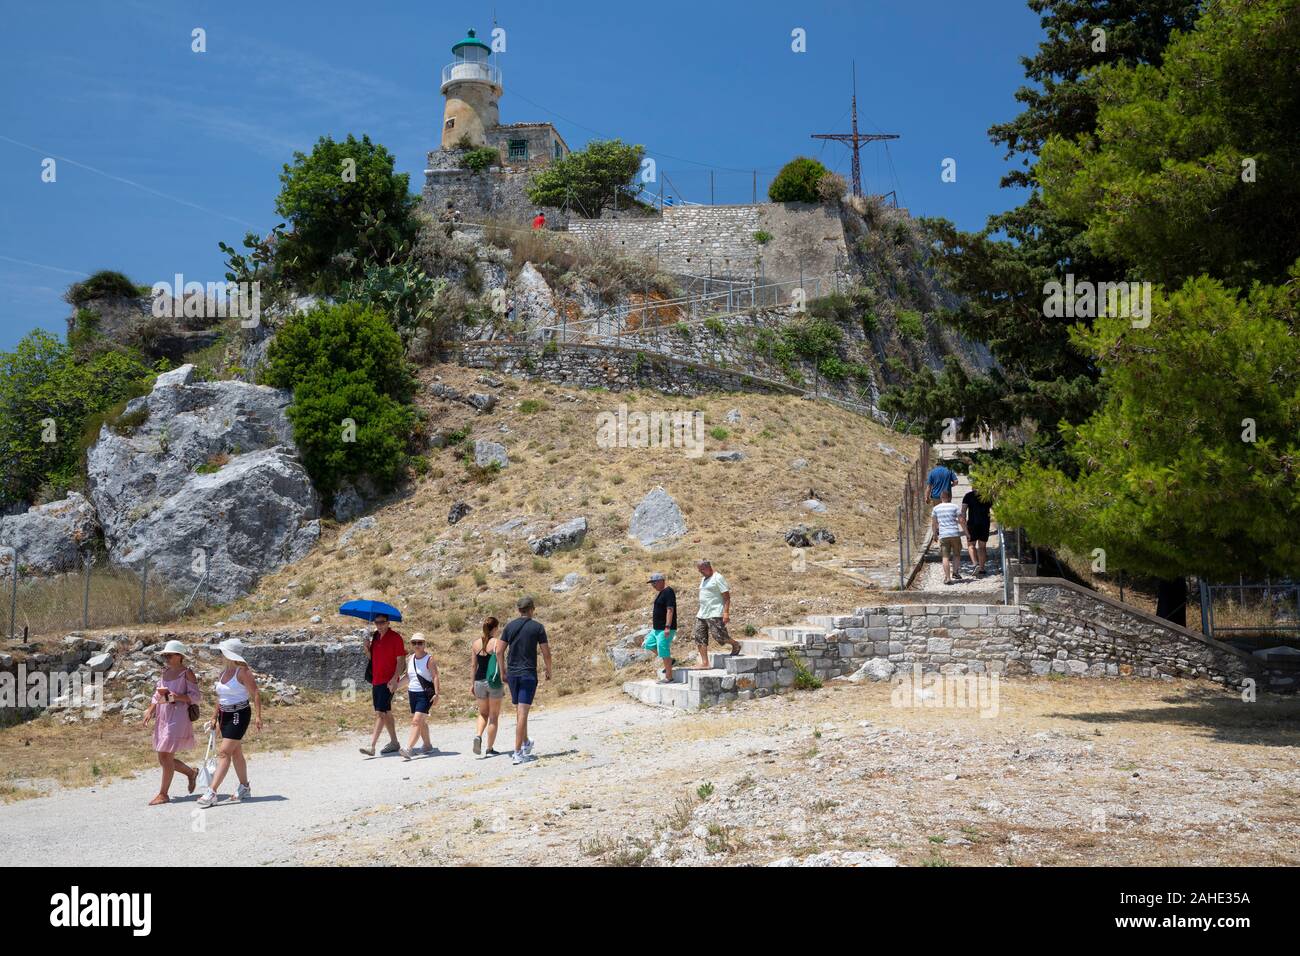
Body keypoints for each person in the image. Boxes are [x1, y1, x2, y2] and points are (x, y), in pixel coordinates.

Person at [197, 638, 262, 808]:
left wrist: (258, 716)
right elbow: (221, 698)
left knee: (224, 752)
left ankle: (211, 792)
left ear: (229, 654)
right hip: (224, 714)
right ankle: (244, 787)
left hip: (239, 714)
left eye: (222, 651)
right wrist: (214, 717)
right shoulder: (223, 672)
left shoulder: (243, 672)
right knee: (235, 752)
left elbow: (255, 693)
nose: (220, 654)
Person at [141, 640, 202, 806]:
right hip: (164, 715)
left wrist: (177, 696)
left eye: (169, 655)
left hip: (179, 716)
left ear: (179, 656)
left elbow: (196, 697)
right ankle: (191, 773)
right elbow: (157, 695)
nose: (166, 657)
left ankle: (163, 794)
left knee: (165, 755)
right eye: (165, 655)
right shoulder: (165, 672)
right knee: (163, 758)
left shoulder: (187, 673)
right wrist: (150, 709)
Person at [501, 595, 552, 766]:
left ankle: (526, 743)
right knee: (523, 712)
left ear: (518, 610)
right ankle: (517, 752)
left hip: (513, 674)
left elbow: (499, 651)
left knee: (519, 711)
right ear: (532, 609)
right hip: (528, 674)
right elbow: (545, 651)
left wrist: (503, 672)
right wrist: (548, 669)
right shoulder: (537, 627)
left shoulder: (509, 626)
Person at [359, 613, 406, 757]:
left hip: (388, 681)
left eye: (382, 622)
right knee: (386, 712)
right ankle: (394, 742)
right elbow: (373, 659)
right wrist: (367, 650)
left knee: (380, 712)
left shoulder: (396, 638)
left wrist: (394, 679)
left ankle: (371, 746)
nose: (379, 625)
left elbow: (401, 661)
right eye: (376, 622)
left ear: (388, 623)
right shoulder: (375, 637)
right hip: (376, 680)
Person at [398, 633, 440, 760]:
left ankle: (408, 748)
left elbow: (435, 676)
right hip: (412, 693)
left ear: (424, 644)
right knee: (421, 721)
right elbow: (408, 677)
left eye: (420, 643)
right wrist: (395, 686)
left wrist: (437, 694)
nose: (417, 645)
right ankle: (427, 746)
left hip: (425, 695)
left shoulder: (429, 659)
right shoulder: (410, 658)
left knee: (416, 721)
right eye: (414, 643)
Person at [693, 559, 741, 665]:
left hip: (715, 612)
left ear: (709, 567)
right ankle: (705, 663)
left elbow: (726, 597)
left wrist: (726, 613)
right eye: (699, 570)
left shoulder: (718, 577)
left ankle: (735, 644)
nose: (700, 571)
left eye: (702, 569)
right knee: (699, 637)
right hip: (701, 613)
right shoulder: (703, 579)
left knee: (719, 636)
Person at [470, 617, 507, 757]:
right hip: (493, 681)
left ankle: (478, 735)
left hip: (478, 681)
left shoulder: (475, 644)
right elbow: (500, 661)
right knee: (493, 716)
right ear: (495, 628)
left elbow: (474, 665)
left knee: (483, 713)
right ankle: (489, 748)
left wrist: (471, 683)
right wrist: (504, 675)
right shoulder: (496, 643)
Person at [643, 572, 677, 683]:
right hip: (657, 629)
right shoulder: (661, 592)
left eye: (654, 582)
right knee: (648, 644)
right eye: (652, 583)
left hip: (664, 628)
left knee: (664, 651)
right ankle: (670, 661)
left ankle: (669, 677)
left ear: (662, 581)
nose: (653, 585)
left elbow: (670, 609)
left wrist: (667, 626)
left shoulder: (668, 591)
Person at [931, 490, 969, 585]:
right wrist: (967, 533)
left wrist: (935, 534)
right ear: (949, 497)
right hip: (954, 534)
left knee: (945, 557)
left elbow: (934, 523)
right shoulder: (954, 506)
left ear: (941, 498)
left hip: (943, 535)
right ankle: (955, 572)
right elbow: (961, 521)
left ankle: (948, 578)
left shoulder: (936, 508)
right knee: (956, 554)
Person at [962, 487, 994, 577]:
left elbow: (963, 511)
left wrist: (964, 523)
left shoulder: (968, 496)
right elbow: (995, 510)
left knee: (971, 545)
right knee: (982, 547)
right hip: (985, 524)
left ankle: (975, 564)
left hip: (972, 524)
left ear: (973, 486)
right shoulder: (988, 496)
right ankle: (982, 569)